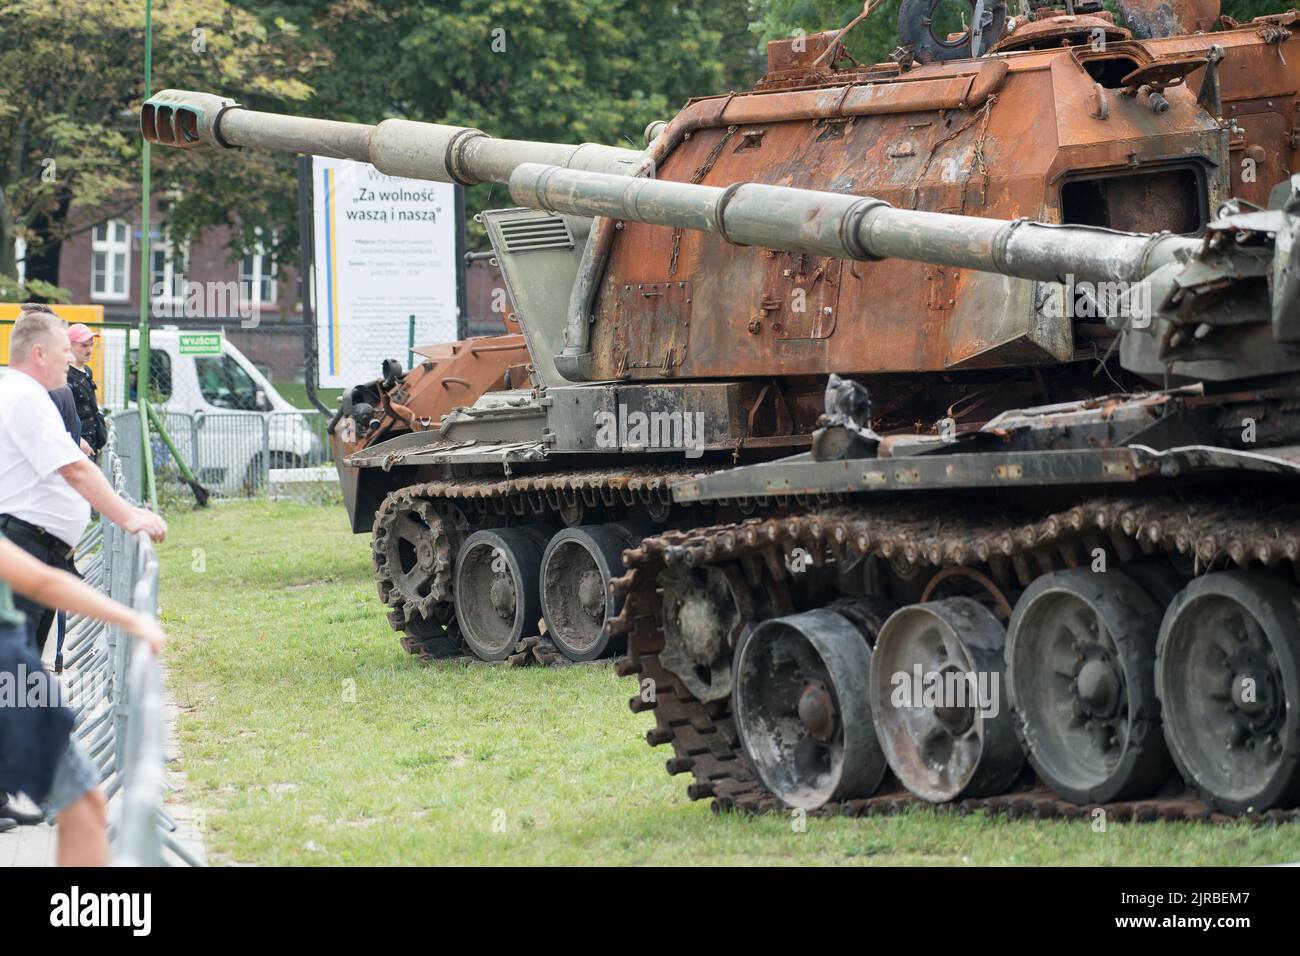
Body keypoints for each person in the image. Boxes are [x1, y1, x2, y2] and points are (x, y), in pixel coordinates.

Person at [0, 304, 167, 656]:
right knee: (17, 675)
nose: (70, 361)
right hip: (23, 539)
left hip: (32, 543)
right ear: (39, 354)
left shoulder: (23, 393)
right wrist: (129, 515)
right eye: (64, 351)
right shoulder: (26, 397)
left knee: (24, 674)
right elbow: (74, 468)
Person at [0, 529, 165, 865]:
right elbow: (45, 583)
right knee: (83, 805)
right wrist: (132, 620)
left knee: (81, 805)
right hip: (10, 676)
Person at [65, 324, 107, 459]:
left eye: (91, 345)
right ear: (69, 345)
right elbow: (61, 412)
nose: (89, 350)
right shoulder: (63, 374)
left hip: (92, 442)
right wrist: (78, 440)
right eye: (84, 346)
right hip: (76, 444)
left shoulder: (87, 371)